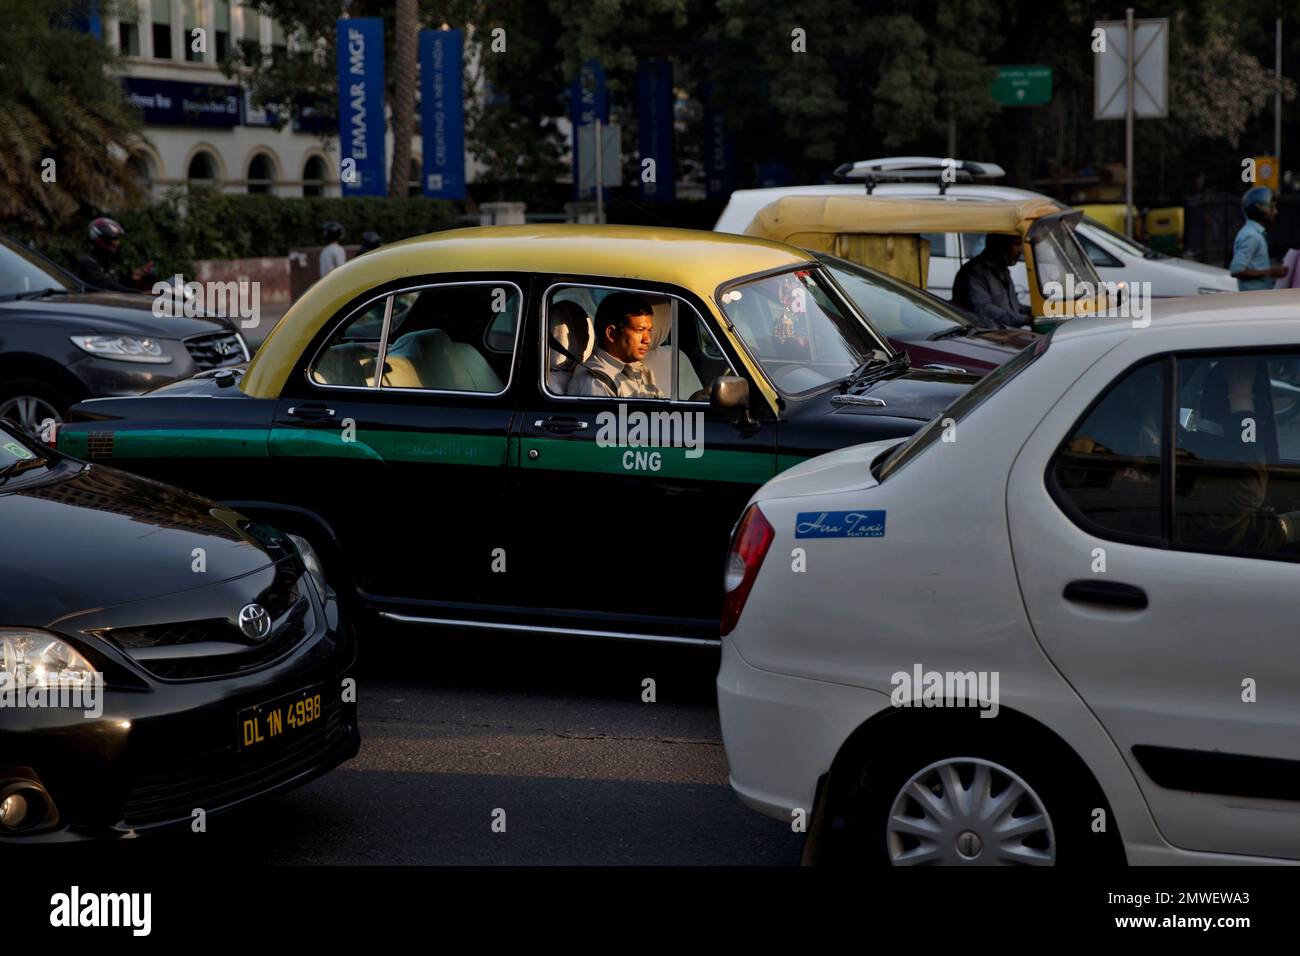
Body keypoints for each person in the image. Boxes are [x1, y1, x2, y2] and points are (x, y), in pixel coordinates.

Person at [566, 292, 664, 398]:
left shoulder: (643, 372)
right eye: (640, 330)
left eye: (649, 331)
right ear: (611, 334)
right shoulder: (594, 381)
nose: (647, 340)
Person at [950, 233, 1033, 329]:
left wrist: (1033, 312)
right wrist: (1025, 319)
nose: (1021, 250)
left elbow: (1013, 307)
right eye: (1017, 244)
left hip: (1008, 334)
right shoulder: (974, 272)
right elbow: (984, 310)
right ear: (999, 245)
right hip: (987, 338)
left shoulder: (1002, 269)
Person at [1230, 187, 1288, 291]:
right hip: (1253, 300)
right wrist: (1271, 272)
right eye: (1272, 207)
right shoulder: (1252, 236)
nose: (1275, 212)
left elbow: (1255, 265)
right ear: (1261, 208)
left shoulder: (1253, 233)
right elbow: (1237, 270)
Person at [76, 217, 150, 293]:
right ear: (103, 239)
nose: (118, 243)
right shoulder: (87, 263)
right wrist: (140, 294)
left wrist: (132, 279)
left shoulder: (108, 262)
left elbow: (117, 285)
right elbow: (108, 287)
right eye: (114, 239)